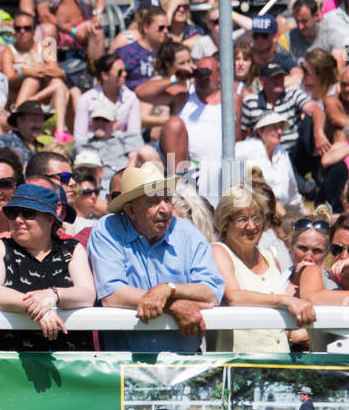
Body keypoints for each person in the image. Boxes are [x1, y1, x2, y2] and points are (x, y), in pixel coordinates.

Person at [87, 163, 226, 352]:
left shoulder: (188, 234)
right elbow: (113, 295)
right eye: (154, 201)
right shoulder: (107, 230)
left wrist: (168, 289)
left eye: (167, 200)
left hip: (184, 366)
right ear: (130, 210)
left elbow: (211, 292)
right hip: (124, 369)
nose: (165, 209)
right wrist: (173, 304)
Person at [0, 182, 95, 350]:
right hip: (6, 363)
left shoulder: (71, 249)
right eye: (13, 212)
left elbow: (88, 294)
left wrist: (53, 295)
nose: (18, 219)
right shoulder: (0, 247)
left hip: (67, 364)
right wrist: (38, 308)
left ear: (50, 218)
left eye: (28, 213)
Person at [208, 185, 314, 353]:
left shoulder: (269, 257)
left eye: (256, 218)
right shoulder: (218, 252)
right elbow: (235, 297)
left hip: (280, 363)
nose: (252, 226)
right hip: (241, 367)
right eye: (242, 219)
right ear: (225, 224)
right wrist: (284, 300)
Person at [235, 112, 299, 212]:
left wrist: (301, 211)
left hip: (281, 210)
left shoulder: (282, 153)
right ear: (260, 130)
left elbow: (292, 190)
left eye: (281, 127)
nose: (279, 131)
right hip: (254, 209)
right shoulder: (246, 148)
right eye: (274, 127)